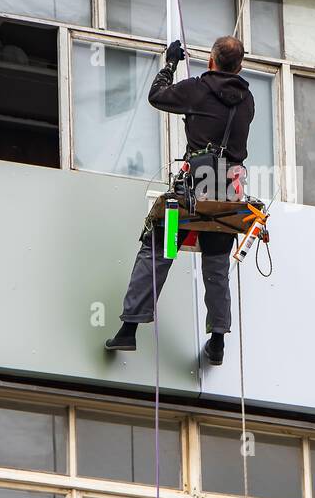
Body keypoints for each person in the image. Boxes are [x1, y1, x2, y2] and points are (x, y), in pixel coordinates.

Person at [105, 35, 255, 365]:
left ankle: (128, 330)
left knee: (160, 249)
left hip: (193, 189)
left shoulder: (197, 89)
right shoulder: (247, 101)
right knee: (216, 265)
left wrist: (170, 63)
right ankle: (218, 340)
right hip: (226, 193)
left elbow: (157, 96)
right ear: (240, 66)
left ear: (212, 61)